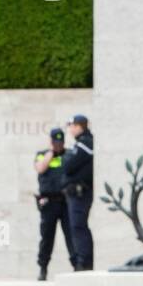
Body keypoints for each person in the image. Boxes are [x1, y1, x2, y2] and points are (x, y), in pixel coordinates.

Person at [34, 127, 76, 281]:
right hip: (49, 203)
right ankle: (43, 268)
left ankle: (77, 266)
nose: (58, 144)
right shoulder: (42, 155)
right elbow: (40, 168)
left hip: (66, 201)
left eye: (60, 141)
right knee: (47, 237)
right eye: (55, 141)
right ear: (51, 142)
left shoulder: (70, 154)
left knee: (71, 235)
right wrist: (51, 153)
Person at [62, 113, 95, 270]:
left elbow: (68, 166)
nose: (69, 129)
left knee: (78, 227)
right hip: (74, 193)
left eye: (71, 126)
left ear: (78, 126)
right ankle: (82, 261)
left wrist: (66, 158)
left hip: (80, 193)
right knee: (76, 227)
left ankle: (84, 262)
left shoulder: (85, 143)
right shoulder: (81, 143)